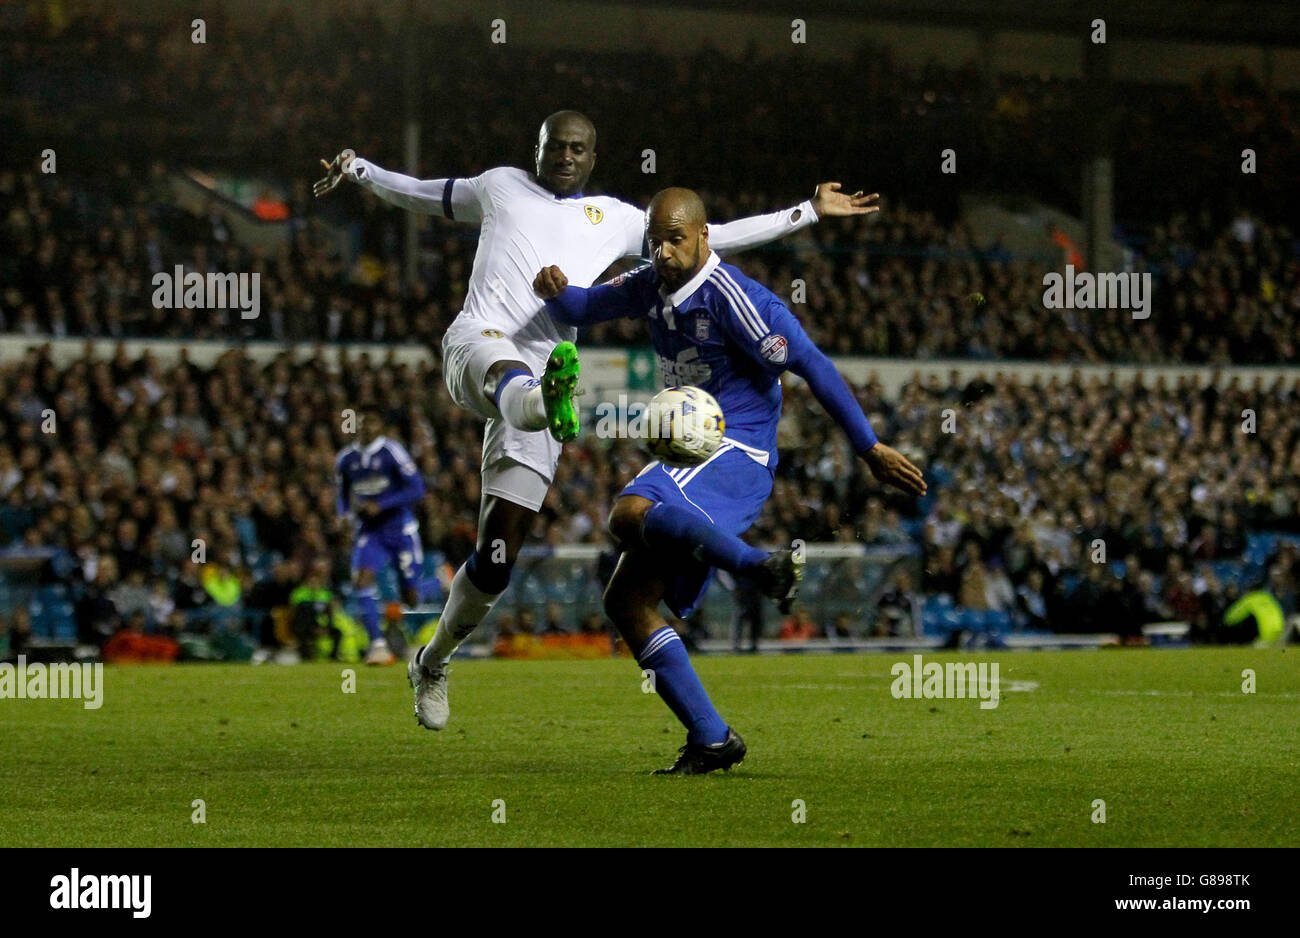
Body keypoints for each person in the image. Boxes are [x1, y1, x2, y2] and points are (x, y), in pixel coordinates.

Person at [316, 110, 881, 728]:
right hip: (479, 342)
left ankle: (431, 659)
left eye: (577, 149)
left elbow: (709, 234)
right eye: (554, 145)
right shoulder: (499, 185)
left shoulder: (615, 219)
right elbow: (425, 194)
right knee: (510, 373)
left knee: (498, 557)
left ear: (592, 157)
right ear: (536, 149)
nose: (565, 156)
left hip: (546, 366)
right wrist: (362, 170)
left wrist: (805, 211)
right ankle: (541, 401)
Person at [534, 186, 926, 773]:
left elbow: (811, 363)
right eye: (656, 241)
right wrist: (558, 291)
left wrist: (868, 447)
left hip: (734, 449)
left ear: (703, 236)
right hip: (692, 450)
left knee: (627, 513)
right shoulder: (650, 284)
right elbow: (584, 308)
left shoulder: (735, 299)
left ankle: (755, 567)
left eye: (676, 239)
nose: (664, 252)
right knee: (627, 601)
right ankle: (712, 738)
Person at [335, 406, 426, 665]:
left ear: (381, 427)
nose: (365, 426)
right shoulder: (346, 459)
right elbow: (342, 494)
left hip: (400, 529)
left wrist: (383, 504)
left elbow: (417, 489)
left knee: (411, 596)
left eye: (371, 421)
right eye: (362, 421)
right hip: (370, 532)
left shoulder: (392, 452)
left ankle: (439, 583)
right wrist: (343, 515)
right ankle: (377, 646)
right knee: (361, 580)